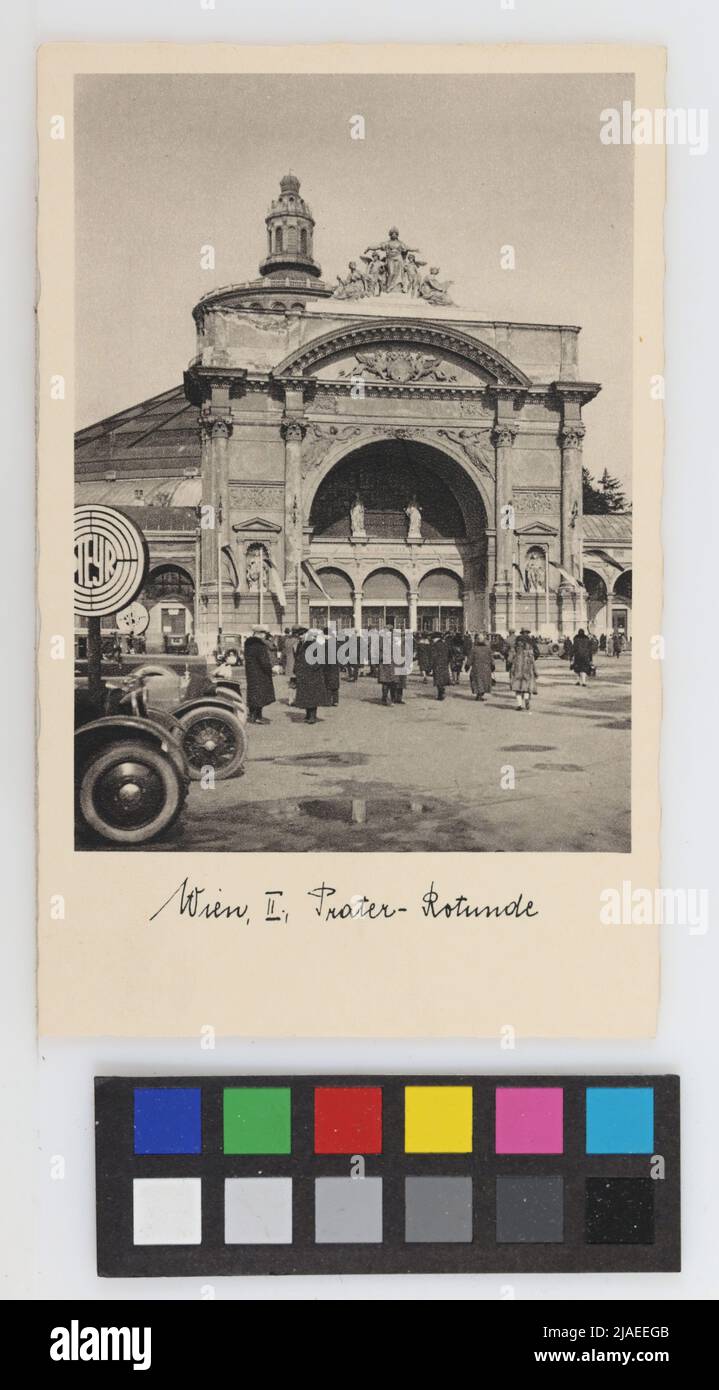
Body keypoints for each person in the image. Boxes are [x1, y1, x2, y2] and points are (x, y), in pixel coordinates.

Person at [294, 629, 333, 725]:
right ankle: (308, 715)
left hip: (313, 674)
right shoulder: (305, 645)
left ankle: (312, 716)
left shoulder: (315, 646)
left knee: (312, 696)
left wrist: (310, 668)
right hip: (306, 674)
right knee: (308, 696)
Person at [243, 627, 276, 723]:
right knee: (260, 695)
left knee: (253, 694)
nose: (265, 635)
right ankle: (258, 717)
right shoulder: (260, 645)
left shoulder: (248, 644)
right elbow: (264, 661)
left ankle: (252, 716)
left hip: (251, 673)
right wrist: (270, 670)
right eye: (264, 633)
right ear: (260, 634)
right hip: (260, 673)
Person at [509, 633, 537, 711]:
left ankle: (519, 705)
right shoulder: (529, 650)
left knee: (517, 689)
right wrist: (535, 670)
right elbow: (533, 661)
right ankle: (526, 698)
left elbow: (509, 660)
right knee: (526, 688)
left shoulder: (515, 649)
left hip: (517, 670)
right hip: (527, 670)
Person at [468, 634, 494, 700]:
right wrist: (492, 665)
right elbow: (491, 658)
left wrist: (467, 665)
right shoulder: (488, 649)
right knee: (485, 681)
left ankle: (478, 694)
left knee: (477, 680)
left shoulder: (474, 649)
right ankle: (481, 694)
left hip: (476, 667)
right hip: (486, 667)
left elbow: (470, 658)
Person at [430, 633, 451, 701]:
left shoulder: (435, 645)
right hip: (444, 663)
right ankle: (442, 691)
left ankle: (440, 693)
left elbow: (433, 655)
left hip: (437, 664)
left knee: (438, 679)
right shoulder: (445, 644)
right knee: (443, 678)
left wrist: (431, 664)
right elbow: (449, 653)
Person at [323, 628, 340, 706]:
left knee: (328, 683)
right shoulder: (335, 642)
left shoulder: (324, 643)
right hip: (335, 665)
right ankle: (335, 700)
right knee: (335, 683)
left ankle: (328, 700)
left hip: (327, 665)